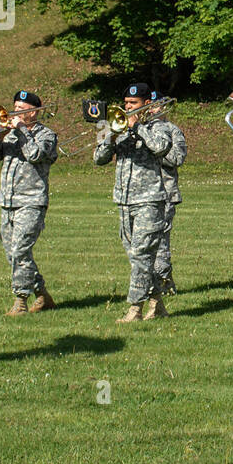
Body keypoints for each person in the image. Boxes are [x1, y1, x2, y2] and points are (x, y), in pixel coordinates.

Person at [93, 82, 175, 322]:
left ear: (146, 104)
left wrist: (137, 127)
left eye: (133, 104)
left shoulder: (160, 126)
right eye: (126, 104)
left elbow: (162, 148)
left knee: (141, 255)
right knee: (136, 257)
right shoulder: (111, 125)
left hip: (150, 199)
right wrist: (110, 136)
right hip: (123, 200)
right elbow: (98, 158)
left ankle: (134, 308)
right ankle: (157, 304)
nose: (128, 108)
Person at [0, 90, 59, 315]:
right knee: (13, 254)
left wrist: (22, 130)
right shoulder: (10, 134)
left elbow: (35, 155)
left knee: (20, 251)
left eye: (22, 110)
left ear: (34, 113)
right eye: (15, 108)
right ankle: (42, 295)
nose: (15, 113)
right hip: (7, 202)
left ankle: (20, 300)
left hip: (32, 201)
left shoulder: (46, 135)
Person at [150, 90, 187, 295]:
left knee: (161, 240)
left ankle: (164, 282)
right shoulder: (141, 129)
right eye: (150, 105)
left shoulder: (173, 131)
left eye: (156, 106)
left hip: (165, 192)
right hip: (141, 193)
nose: (153, 109)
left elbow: (176, 158)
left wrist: (153, 150)